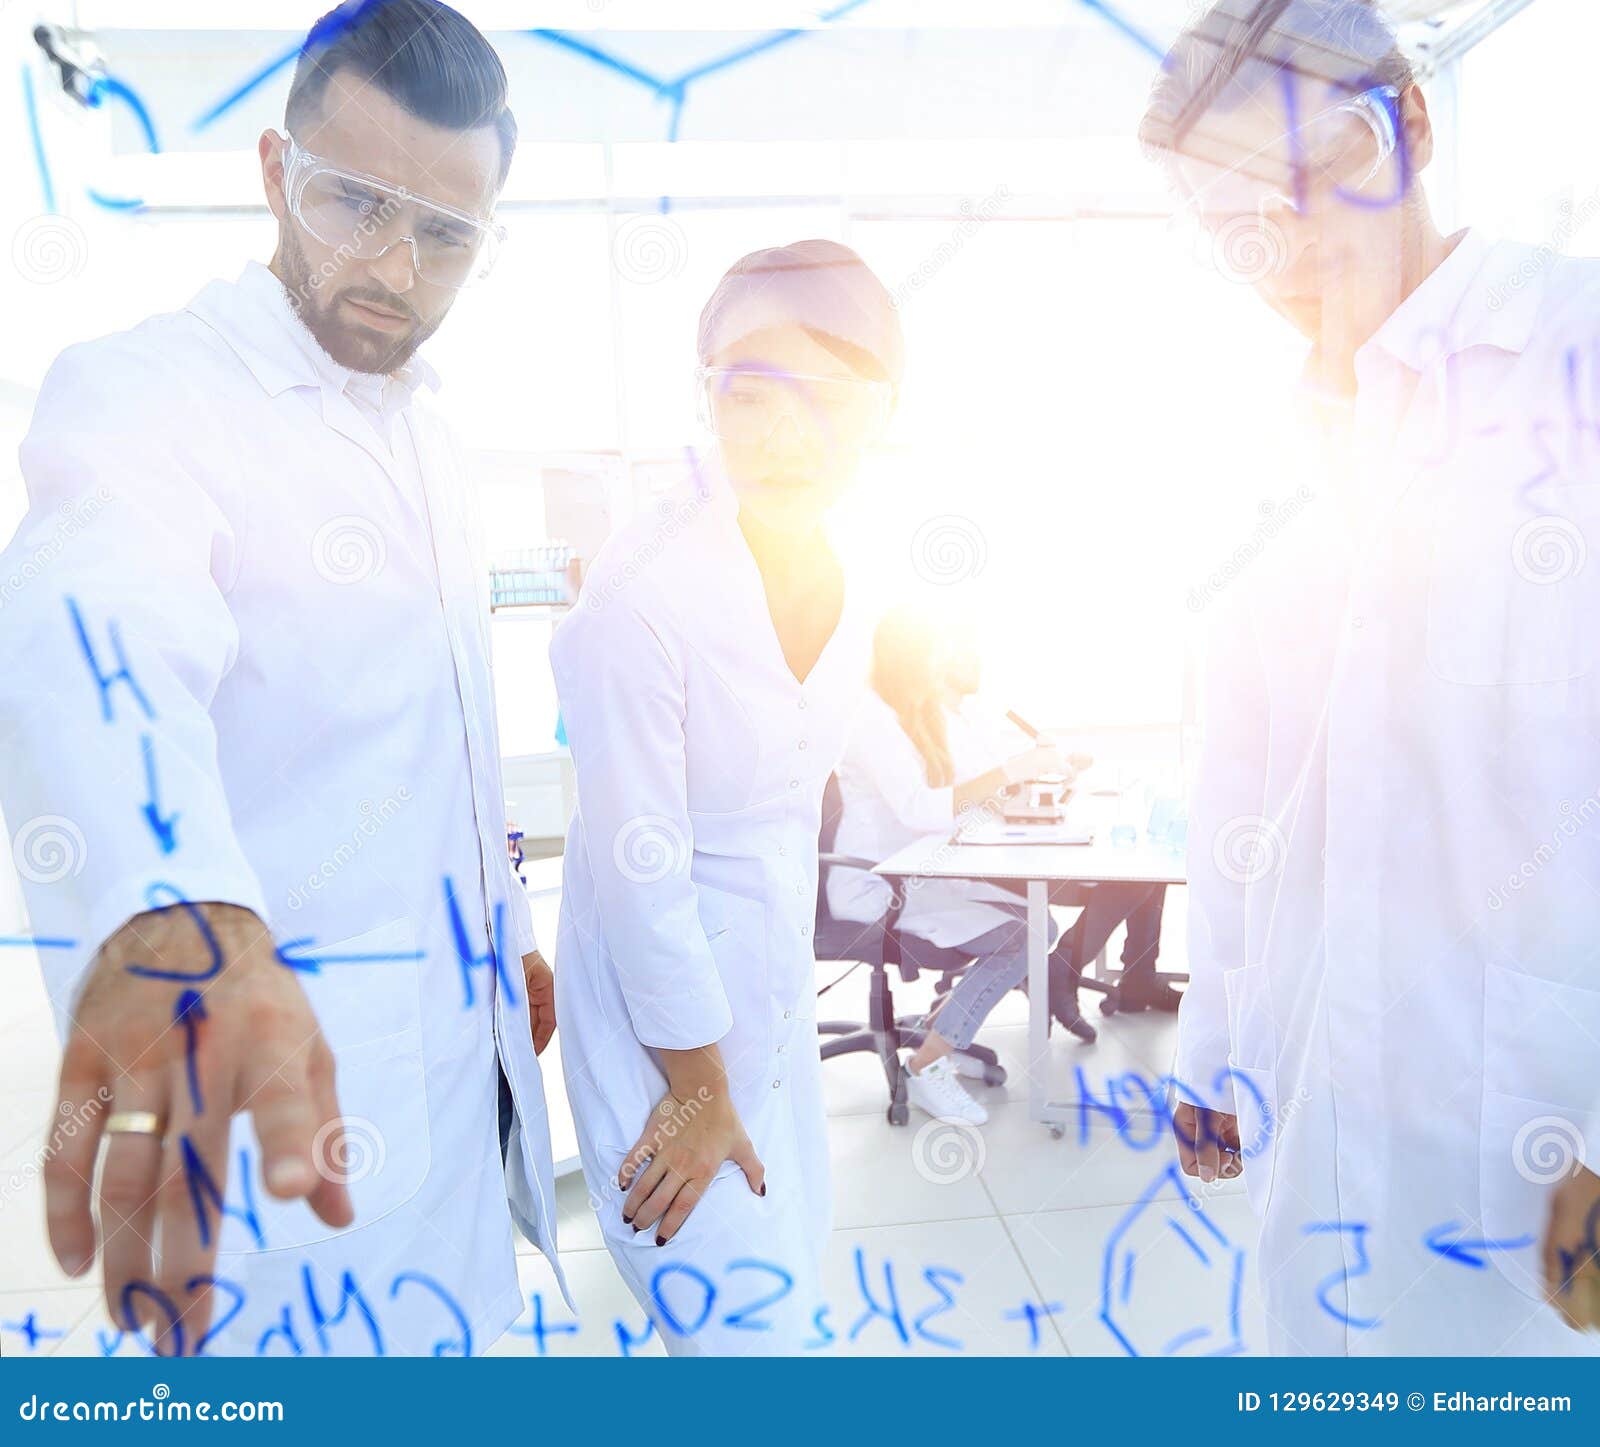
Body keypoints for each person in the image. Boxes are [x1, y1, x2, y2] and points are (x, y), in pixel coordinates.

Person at [0, 0, 565, 1356]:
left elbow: (437, 729)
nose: (395, 266)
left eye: (446, 234)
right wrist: (171, 910)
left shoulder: (428, 428)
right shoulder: (148, 395)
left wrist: (510, 920)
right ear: (273, 171)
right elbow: (92, 638)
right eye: (352, 202)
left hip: (462, 1077)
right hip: (274, 1118)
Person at [1143, 0, 1600, 1354]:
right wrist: (1217, 1040)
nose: (1277, 251)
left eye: (1300, 183)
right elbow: (1245, 778)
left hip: (1539, 1127)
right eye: (1231, 226)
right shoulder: (1273, 455)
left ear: (1402, 125)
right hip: (1319, 1116)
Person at [550, 239, 900, 1355]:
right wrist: (698, 1085)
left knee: (789, 1315)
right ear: (707, 398)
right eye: (748, 391)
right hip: (662, 1022)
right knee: (741, 1343)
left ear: (883, 410)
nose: (783, 433)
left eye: (827, 395)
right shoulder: (641, 593)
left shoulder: (854, 565)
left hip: (771, 992)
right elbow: (634, 862)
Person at [829, 606, 1172, 1124]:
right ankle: (925, 1068)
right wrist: (1012, 771)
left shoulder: (907, 715)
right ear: (910, 662)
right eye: (934, 661)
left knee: (1039, 923)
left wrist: (1010, 789)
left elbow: (944, 800)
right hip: (880, 886)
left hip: (918, 873)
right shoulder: (873, 721)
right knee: (1021, 936)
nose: (941, 673)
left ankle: (948, 1035)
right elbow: (921, 809)